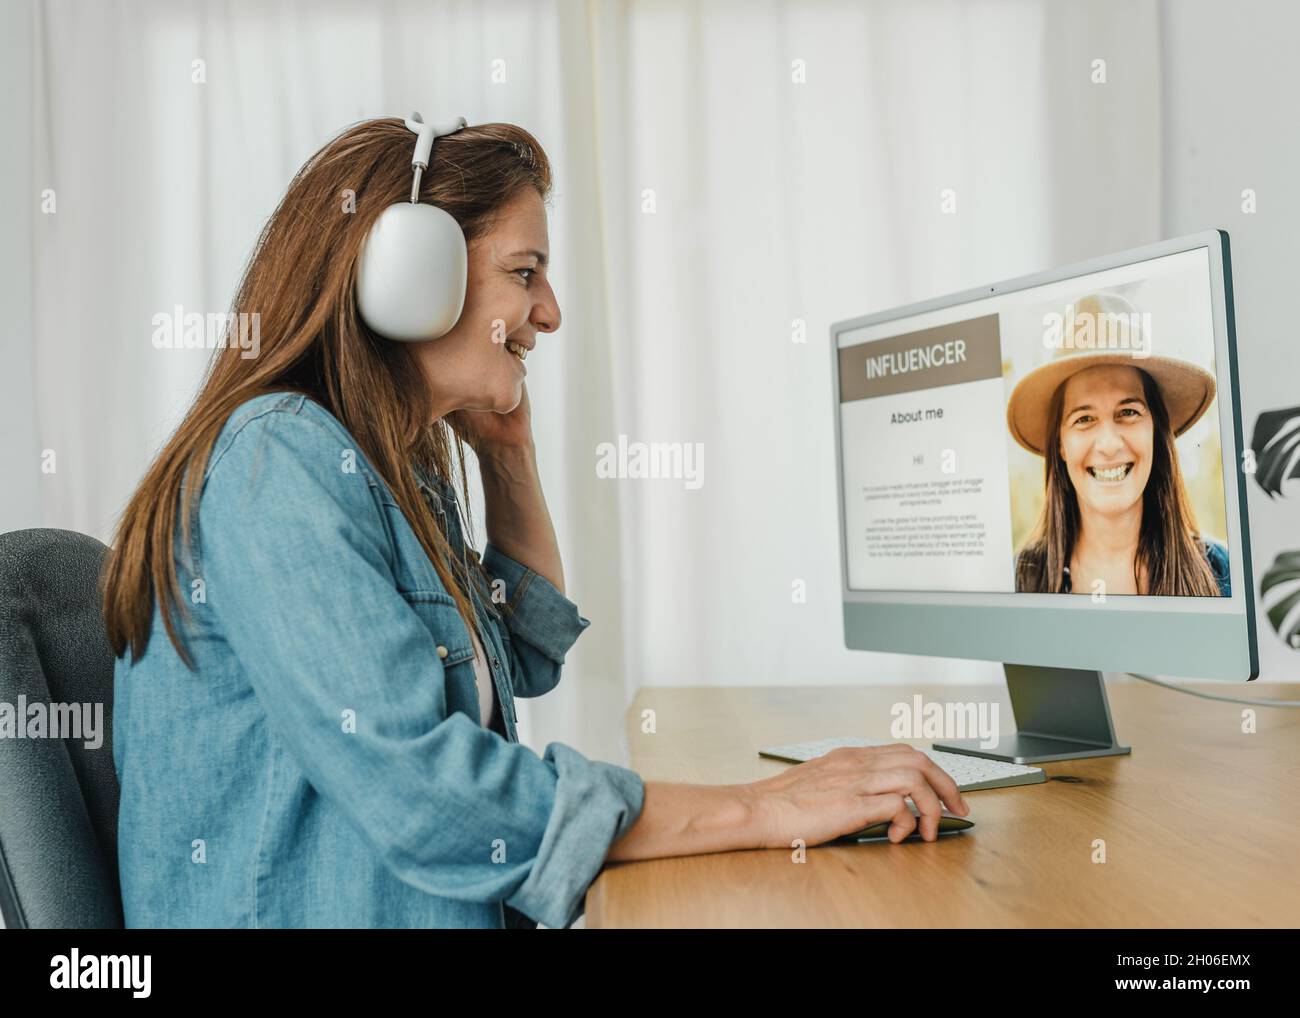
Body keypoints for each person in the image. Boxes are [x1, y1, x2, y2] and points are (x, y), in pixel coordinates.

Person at [101, 117, 967, 929]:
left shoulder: (384, 467)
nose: (548, 312)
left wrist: (506, 456)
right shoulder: (277, 464)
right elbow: (431, 794)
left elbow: (519, 658)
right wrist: (768, 805)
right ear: (409, 279)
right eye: (524, 273)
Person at [1008, 293, 1229, 597]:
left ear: (1156, 428)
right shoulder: (1019, 582)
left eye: (1128, 412)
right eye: (1084, 419)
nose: (1109, 445)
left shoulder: (1221, 571)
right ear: (1060, 443)